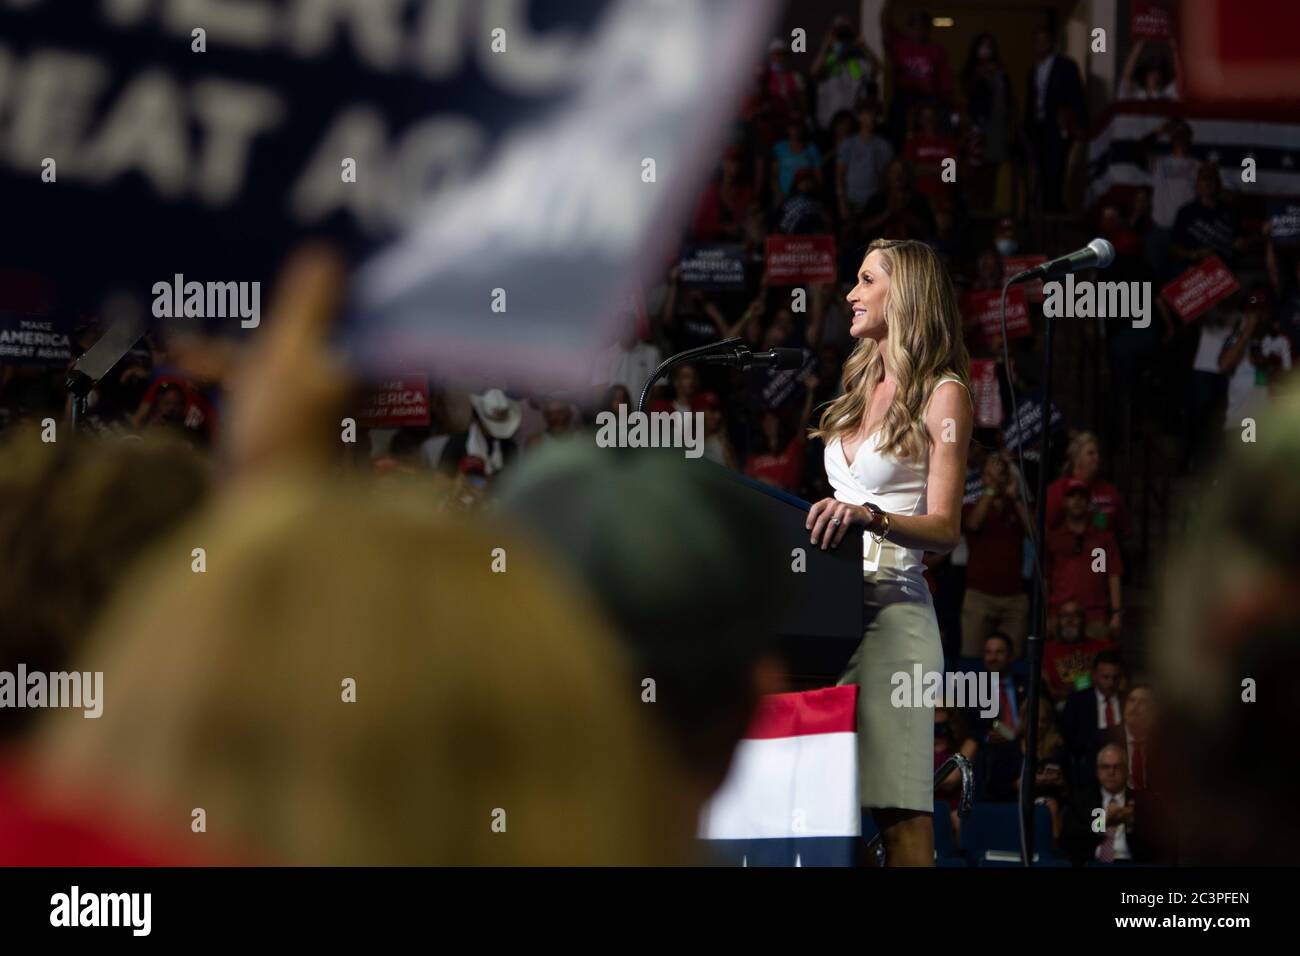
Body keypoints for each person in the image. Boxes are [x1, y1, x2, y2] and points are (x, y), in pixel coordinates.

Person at [805, 238, 973, 866]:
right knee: (813, 798)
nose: (850, 294)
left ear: (902, 294)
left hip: (893, 615)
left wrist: (869, 516)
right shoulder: (857, 385)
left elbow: (946, 527)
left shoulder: (944, 393)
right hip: (825, 612)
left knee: (898, 816)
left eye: (865, 279)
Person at [960, 449, 1031, 656]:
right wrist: (990, 491)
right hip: (979, 596)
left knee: (1014, 658)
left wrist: (1016, 498)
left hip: (1014, 598)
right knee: (972, 659)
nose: (997, 480)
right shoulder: (971, 506)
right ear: (982, 478)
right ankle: (975, 691)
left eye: (1001, 475)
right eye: (991, 475)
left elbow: (1034, 534)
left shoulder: (1018, 506)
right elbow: (973, 525)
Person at [1045, 479, 1124, 638]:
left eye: (1082, 497)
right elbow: (1045, 576)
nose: (1077, 501)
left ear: (1088, 502)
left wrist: (1116, 613)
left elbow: (1110, 574)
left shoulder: (1101, 537)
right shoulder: (1054, 537)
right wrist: (1046, 614)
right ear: (1065, 502)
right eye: (1072, 496)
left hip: (1094, 615)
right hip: (1060, 615)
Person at [1062, 743, 1160, 865]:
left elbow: (1156, 847)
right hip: (1094, 863)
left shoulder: (1143, 802)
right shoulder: (1082, 801)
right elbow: (1071, 840)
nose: (1111, 772)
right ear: (1097, 771)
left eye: (1117, 767)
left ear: (1126, 771)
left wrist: (1131, 823)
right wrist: (1103, 822)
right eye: (1105, 767)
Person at [1024, 23, 1086, 212]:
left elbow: (1077, 96)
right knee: (1040, 168)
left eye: (1044, 41)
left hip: (1058, 125)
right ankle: (1042, 206)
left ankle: (1054, 206)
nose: (1040, 45)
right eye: (1037, 41)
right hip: (1038, 126)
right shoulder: (1033, 70)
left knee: (1057, 167)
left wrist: (1079, 123)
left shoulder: (1065, 66)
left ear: (1052, 43)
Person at [1044, 430, 1130, 536]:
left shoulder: (1109, 490)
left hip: (1103, 550)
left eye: (1098, 453)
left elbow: (1124, 529)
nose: (1097, 458)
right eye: (1091, 453)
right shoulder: (1056, 490)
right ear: (1076, 458)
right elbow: (1046, 530)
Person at [837, 103, 895, 221]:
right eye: (867, 114)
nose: (871, 118)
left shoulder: (885, 146)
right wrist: (842, 204)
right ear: (859, 117)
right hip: (852, 201)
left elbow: (889, 175)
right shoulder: (848, 144)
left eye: (874, 115)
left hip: (875, 201)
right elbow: (839, 176)